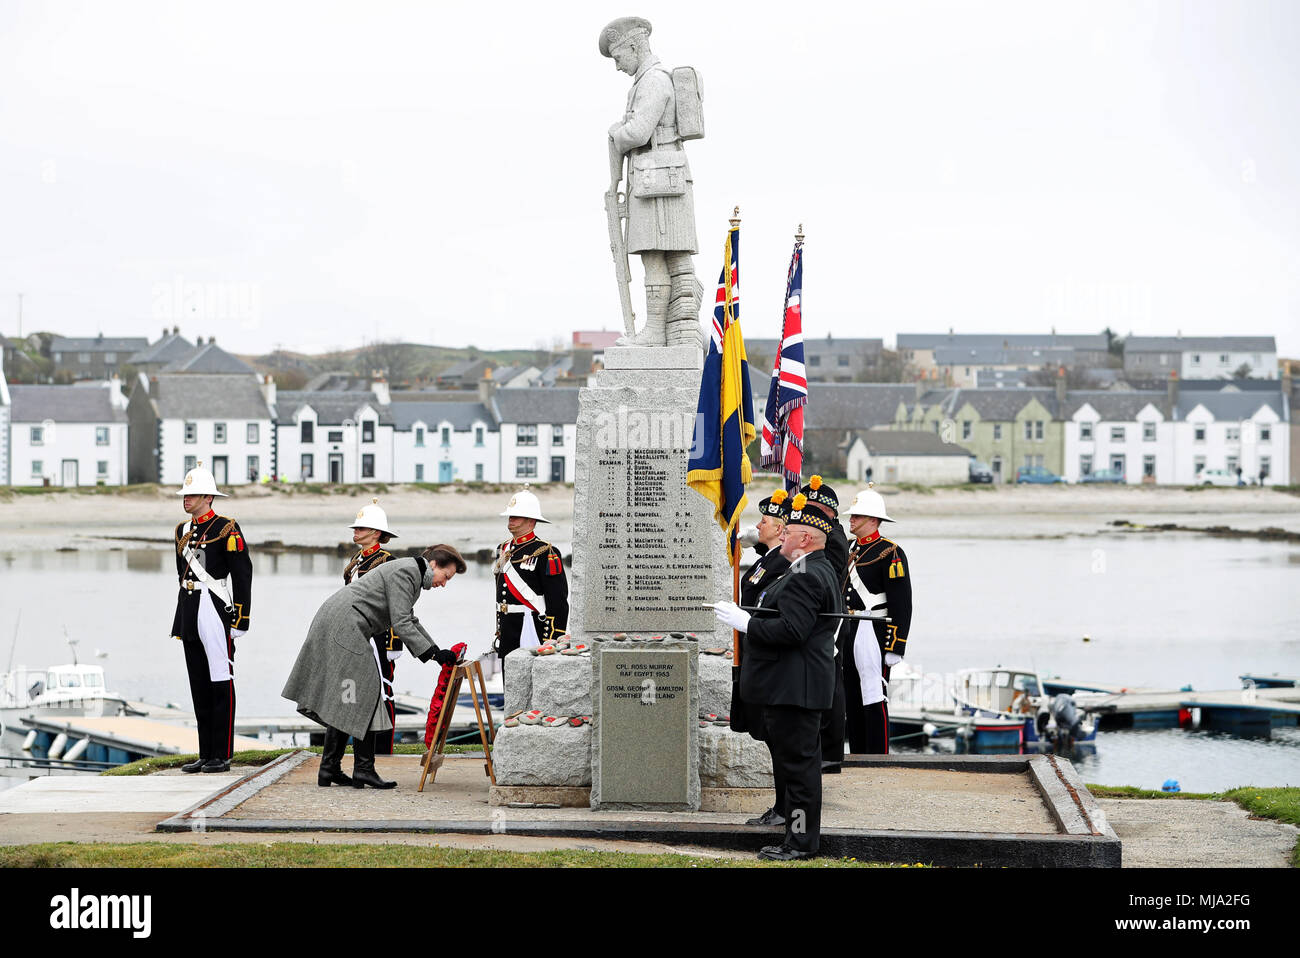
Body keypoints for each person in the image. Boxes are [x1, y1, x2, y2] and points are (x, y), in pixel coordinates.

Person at [714, 494, 843, 861]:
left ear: (805, 539)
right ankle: (797, 839)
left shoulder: (805, 574)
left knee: (800, 775)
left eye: (788, 533)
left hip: (794, 689)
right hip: (794, 687)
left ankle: (800, 843)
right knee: (798, 770)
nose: (781, 537)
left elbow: (792, 630)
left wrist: (747, 623)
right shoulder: (809, 568)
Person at [283, 545, 465, 789]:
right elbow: (401, 622)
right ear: (433, 565)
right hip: (345, 626)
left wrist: (436, 650)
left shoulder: (410, 571)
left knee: (348, 697)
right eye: (446, 577)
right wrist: (434, 654)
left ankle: (329, 768)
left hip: (341, 622)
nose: (444, 583)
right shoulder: (408, 572)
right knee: (366, 691)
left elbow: (409, 618)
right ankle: (363, 770)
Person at [600, 16, 703, 348]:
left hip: (659, 183)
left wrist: (616, 132)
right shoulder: (646, 81)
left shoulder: (654, 81)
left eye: (618, 57)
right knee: (666, 257)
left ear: (633, 45)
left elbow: (637, 132)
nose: (617, 67)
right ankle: (675, 330)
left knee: (660, 256)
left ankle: (663, 330)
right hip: (656, 179)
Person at [171, 460, 252, 774]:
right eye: (186, 494)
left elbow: (242, 575)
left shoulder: (226, 528)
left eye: (194, 494)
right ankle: (206, 752)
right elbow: (182, 574)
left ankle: (223, 753)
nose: (186, 499)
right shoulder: (182, 530)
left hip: (215, 610)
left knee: (220, 680)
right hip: (189, 610)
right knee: (198, 684)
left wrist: (241, 618)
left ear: (209, 498)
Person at [842, 484, 913, 754]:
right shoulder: (849, 548)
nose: (851, 519)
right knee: (851, 695)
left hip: (873, 633)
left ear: (873, 520)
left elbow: (901, 603)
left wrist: (896, 645)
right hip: (849, 630)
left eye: (857, 516)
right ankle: (859, 754)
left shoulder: (891, 552)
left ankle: (878, 756)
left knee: (873, 698)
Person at [793, 477, 851, 772]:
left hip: (831, 617)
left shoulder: (834, 539)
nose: (808, 515)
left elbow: (810, 568)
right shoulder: (825, 533)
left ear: (829, 512)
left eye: (813, 510)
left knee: (830, 682)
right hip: (820, 615)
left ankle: (830, 751)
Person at [730, 489, 792, 738]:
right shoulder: (768, 558)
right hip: (752, 642)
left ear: (779, 530)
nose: (757, 525)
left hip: (764, 644)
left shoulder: (783, 562)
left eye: (764, 521)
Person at [342, 498, 400, 756]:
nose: (356, 532)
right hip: (356, 634)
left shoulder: (387, 560)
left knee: (383, 690)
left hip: (379, 636)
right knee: (355, 689)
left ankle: (383, 749)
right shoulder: (357, 560)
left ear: (376, 533)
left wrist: (393, 641)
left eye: (361, 529)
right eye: (356, 528)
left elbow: (398, 604)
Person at [492, 486, 569, 667]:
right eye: (510, 515)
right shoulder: (503, 548)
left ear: (531, 521)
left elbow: (557, 600)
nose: (511, 519)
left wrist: (553, 637)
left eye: (516, 516)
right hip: (507, 627)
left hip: (532, 626)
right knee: (509, 684)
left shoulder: (545, 551)